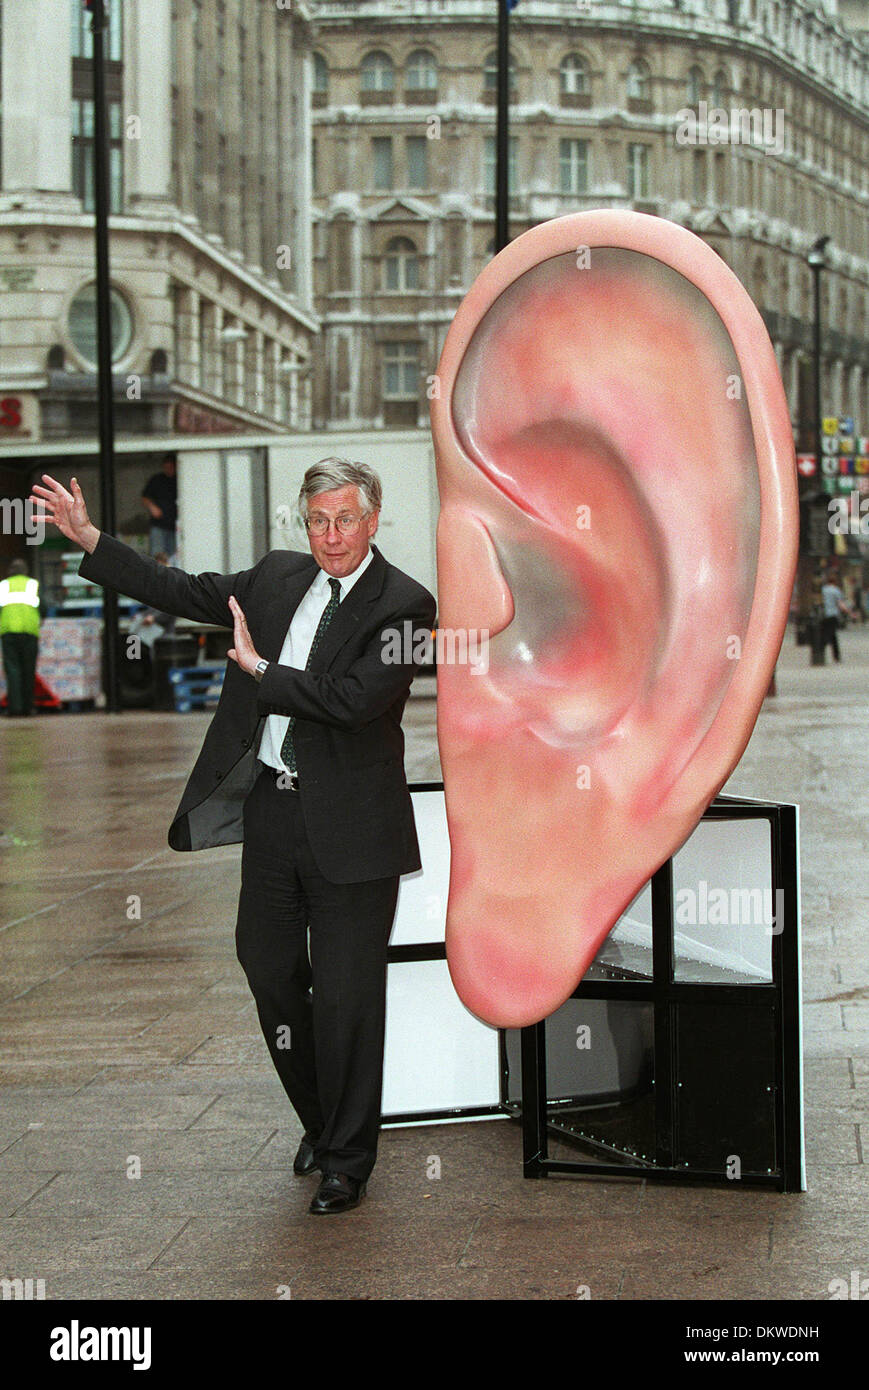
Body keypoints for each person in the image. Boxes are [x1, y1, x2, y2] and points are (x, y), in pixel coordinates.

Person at [30, 460, 437, 1216]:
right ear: (302, 522)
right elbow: (181, 591)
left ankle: (348, 1160)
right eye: (318, 519)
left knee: (348, 1000)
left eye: (346, 519)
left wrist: (260, 670)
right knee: (270, 973)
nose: (332, 535)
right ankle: (323, 1124)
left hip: (353, 833)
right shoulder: (277, 578)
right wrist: (92, 539)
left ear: (374, 519)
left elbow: (352, 702)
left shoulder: (407, 606)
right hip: (274, 818)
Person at [0, 557, 41, 717]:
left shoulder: (3, 585)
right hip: (29, 632)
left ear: (11, 571)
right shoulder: (32, 584)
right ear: (25, 571)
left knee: (13, 670)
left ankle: (15, 708)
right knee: (28, 670)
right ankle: (28, 708)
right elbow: (42, 606)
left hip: (8, 632)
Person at [141, 453, 178, 558]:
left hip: (174, 526)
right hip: (158, 525)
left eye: (170, 467)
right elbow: (144, 497)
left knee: (173, 558)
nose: (168, 470)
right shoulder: (157, 480)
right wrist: (153, 508)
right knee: (157, 555)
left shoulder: (180, 480)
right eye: (166, 467)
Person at [820, 570, 853, 663]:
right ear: (835, 581)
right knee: (832, 635)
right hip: (833, 615)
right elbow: (840, 604)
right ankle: (836, 656)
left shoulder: (823, 590)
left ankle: (822, 652)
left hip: (824, 615)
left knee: (827, 634)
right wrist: (849, 612)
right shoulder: (836, 590)